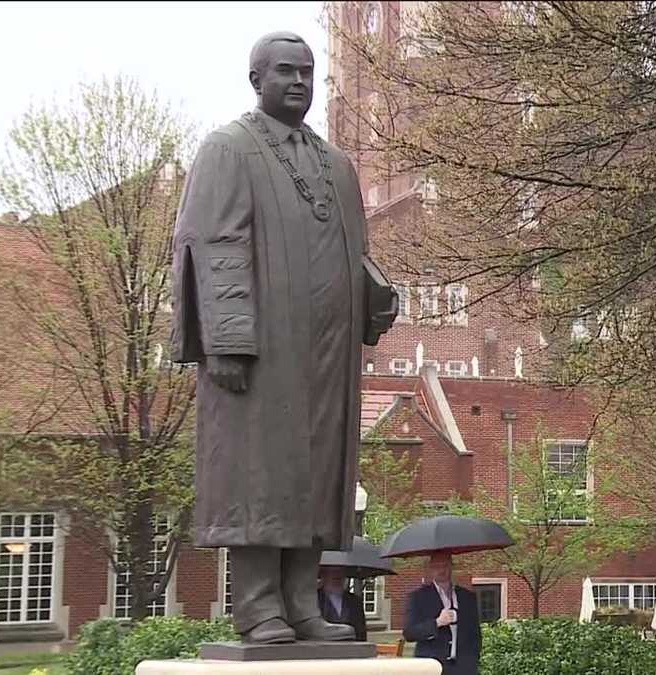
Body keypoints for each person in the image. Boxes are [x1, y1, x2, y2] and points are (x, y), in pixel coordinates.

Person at [169, 31, 396, 644]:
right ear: (256, 81)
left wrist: (375, 301)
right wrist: (227, 340)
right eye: (285, 72)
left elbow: (358, 254)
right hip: (262, 349)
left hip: (326, 351)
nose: (298, 83)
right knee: (260, 472)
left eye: (307, 73)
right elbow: (214, 248)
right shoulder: (228, 150)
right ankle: (257, 606)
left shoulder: (338, 165)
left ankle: (302, 603)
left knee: (318, 475)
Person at [403, 553, 481, 675]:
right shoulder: (418, 597)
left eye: (445, 565)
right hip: (432, 668)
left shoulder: (467, 597)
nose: (441, 570)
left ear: (451, 566)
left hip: (464, 668)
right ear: (430, 568)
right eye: (437, 566)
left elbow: (475, 634)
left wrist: (473, 661)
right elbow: (409, 633)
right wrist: (437, 622)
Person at [317, 566, 368, 642]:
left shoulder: (355, 601)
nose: (337, 575)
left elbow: (361, 633)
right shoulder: (313, 598)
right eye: (333, 571)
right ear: (323, 575)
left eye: (341, 571)